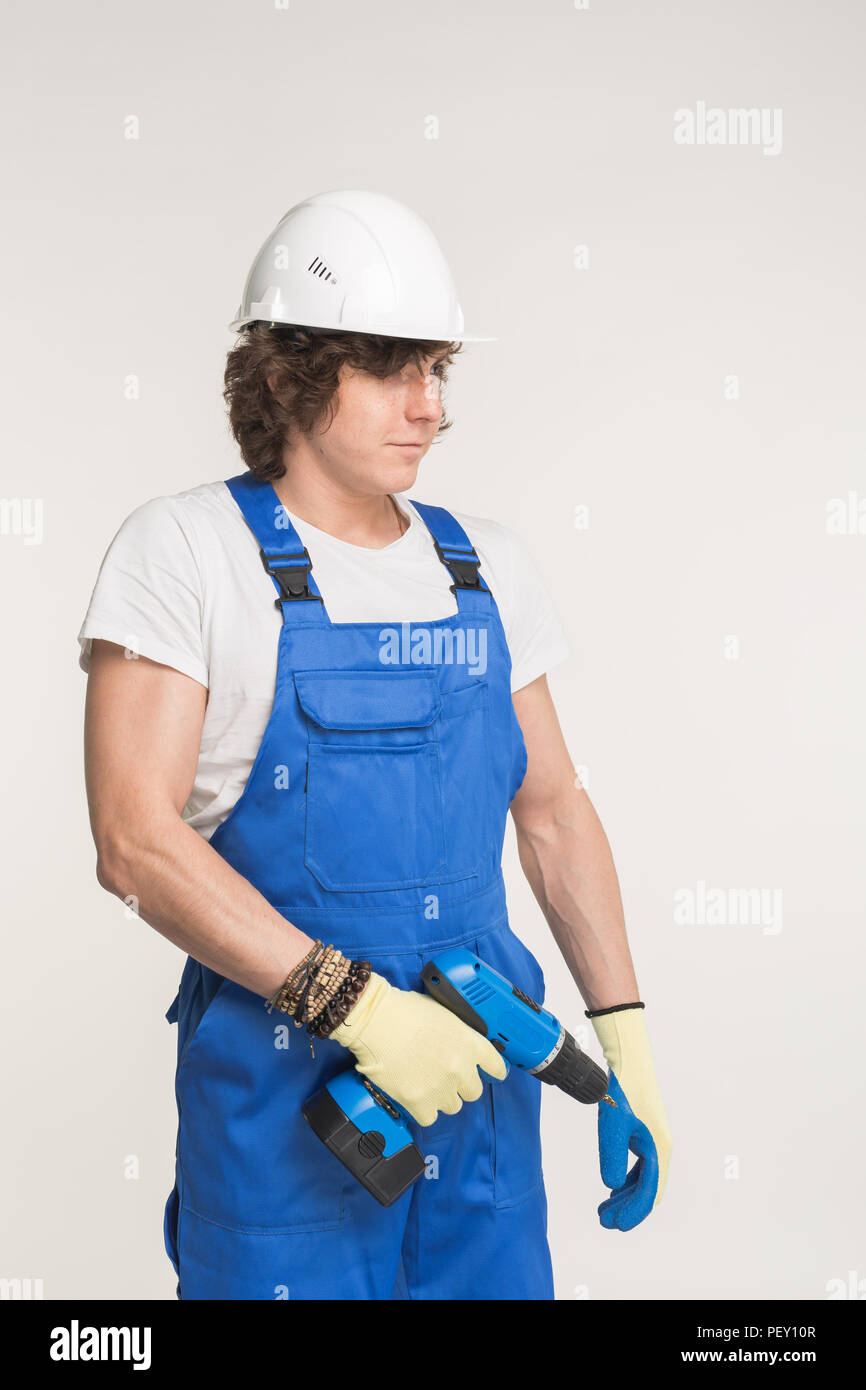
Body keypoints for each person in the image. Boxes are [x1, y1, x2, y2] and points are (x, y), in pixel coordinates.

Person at [79, 189, 672, 1301]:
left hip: (477, 1083)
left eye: (438, 370)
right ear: (287, 375)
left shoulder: (485, 564)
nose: (427, 405)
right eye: (390, 368)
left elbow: (548, 809)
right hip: (284, 1103)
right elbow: (134, 839)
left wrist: (620, 1030)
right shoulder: (187, 552)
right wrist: (352, 1006)